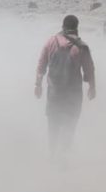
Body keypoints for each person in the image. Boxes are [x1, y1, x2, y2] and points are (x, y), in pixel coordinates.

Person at [35, 14, 96, 160]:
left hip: (54, 93)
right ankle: (63, 156)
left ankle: (52, 154)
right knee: (70, 125)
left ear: (63, 26)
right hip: (73, 95)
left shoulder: (51, 41)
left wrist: (38, 85)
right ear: (76, 28)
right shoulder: (82, 47)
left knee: (53, 125)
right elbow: (89, 69)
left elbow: (41, 65)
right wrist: (92, 87)